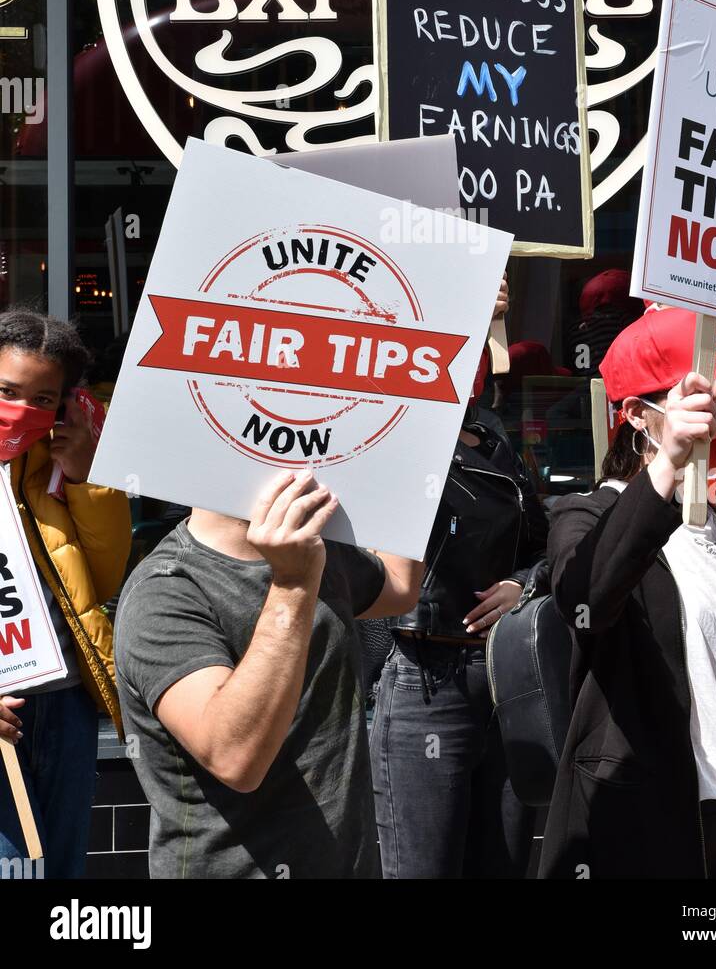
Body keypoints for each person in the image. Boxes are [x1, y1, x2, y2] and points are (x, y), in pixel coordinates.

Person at [539, 307, 716, 880]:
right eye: (702, 405)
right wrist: (668, 465)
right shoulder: (584, 516)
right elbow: (588, 602)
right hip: (641, 831)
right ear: (637, 416)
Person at [113, 467, 424, 879]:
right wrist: (294, 582)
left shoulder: (319, 552)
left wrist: (412, 457)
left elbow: (399, 588)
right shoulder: (164, 591)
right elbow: (236, 756)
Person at [369, 279, 549, 879]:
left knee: (502, 861)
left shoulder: (492, 433)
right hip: (427, 675)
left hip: (504, 676)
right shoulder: (391, 429)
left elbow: (546, 546)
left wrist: (525, 584)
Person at [0, 308, 132, 878]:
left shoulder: (53, 470)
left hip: (64, 701)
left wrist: (85, 478)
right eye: (6, 391)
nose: (22, 411)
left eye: (43, 399)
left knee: (62, 874)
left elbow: (102, 582)